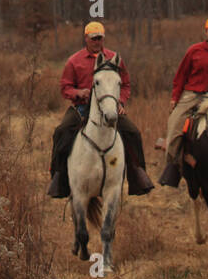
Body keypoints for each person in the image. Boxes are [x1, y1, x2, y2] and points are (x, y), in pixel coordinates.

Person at [47, 22, 154, 198]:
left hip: (109, 108)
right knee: (62, 131)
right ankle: (59, 178)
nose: (97, 41)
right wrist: (78, 92)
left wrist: (119, 102)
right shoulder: (74, 61)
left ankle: (138, 176)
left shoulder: (114, 59)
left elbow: (125, 84)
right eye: (94, 38)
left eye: (100, 38)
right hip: (81, 107)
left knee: (133, 133)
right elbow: (65, 87)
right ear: (86, 38)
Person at [159, 17, 208, 186]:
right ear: (206, 31)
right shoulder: (194, 51)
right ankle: (173, 167)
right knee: (174, 127)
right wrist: (174, 98)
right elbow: (180, 76)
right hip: (192, 95)